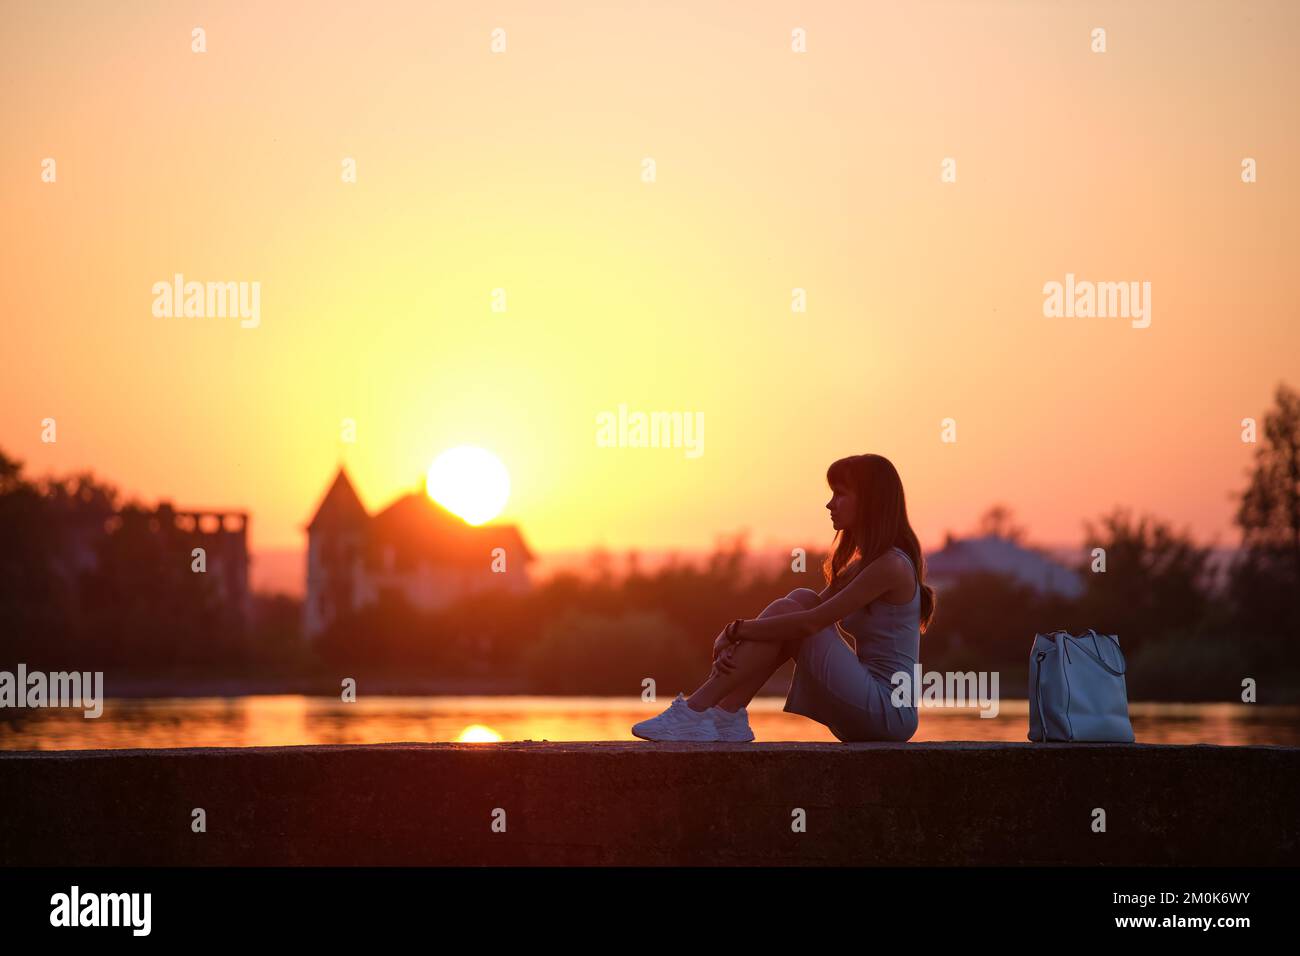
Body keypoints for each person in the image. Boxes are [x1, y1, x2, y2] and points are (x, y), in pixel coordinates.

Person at [631, 453, 936, 742]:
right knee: (799, 599)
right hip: (868, 704)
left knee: (796, 613)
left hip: (889, 712)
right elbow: (800, 613)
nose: (830, 504)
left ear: (870, 503)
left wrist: (734, 631)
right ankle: (727, 714)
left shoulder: (891, 565)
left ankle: (695, 710)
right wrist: (743, 636)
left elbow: (810, 624)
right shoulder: (865, 565)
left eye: (840, 494)